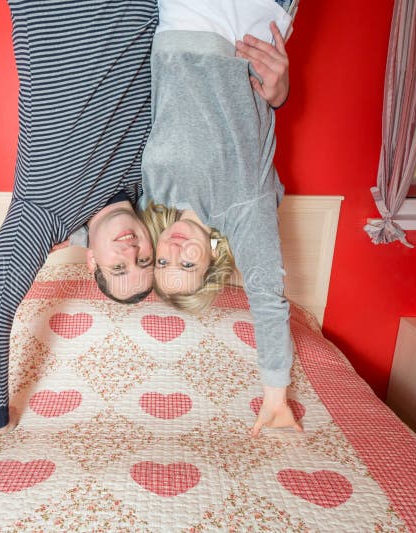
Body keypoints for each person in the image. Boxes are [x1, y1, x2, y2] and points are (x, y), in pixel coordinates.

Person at [0, 1, 157, 436]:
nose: (129, 251)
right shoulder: (157, 173)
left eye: (118, 266)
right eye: (143, 260)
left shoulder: (43, 213)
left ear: (92, 262)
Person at [141, 0, 302, 435]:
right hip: (236, 29)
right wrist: (275, 396)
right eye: (188, 264)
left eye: (162, 262)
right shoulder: (242, 210)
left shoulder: (154, 201)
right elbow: (268, 298)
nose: (173, 251)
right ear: (214, 258)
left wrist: (73, 237)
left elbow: (105, 225)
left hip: (178, 20)